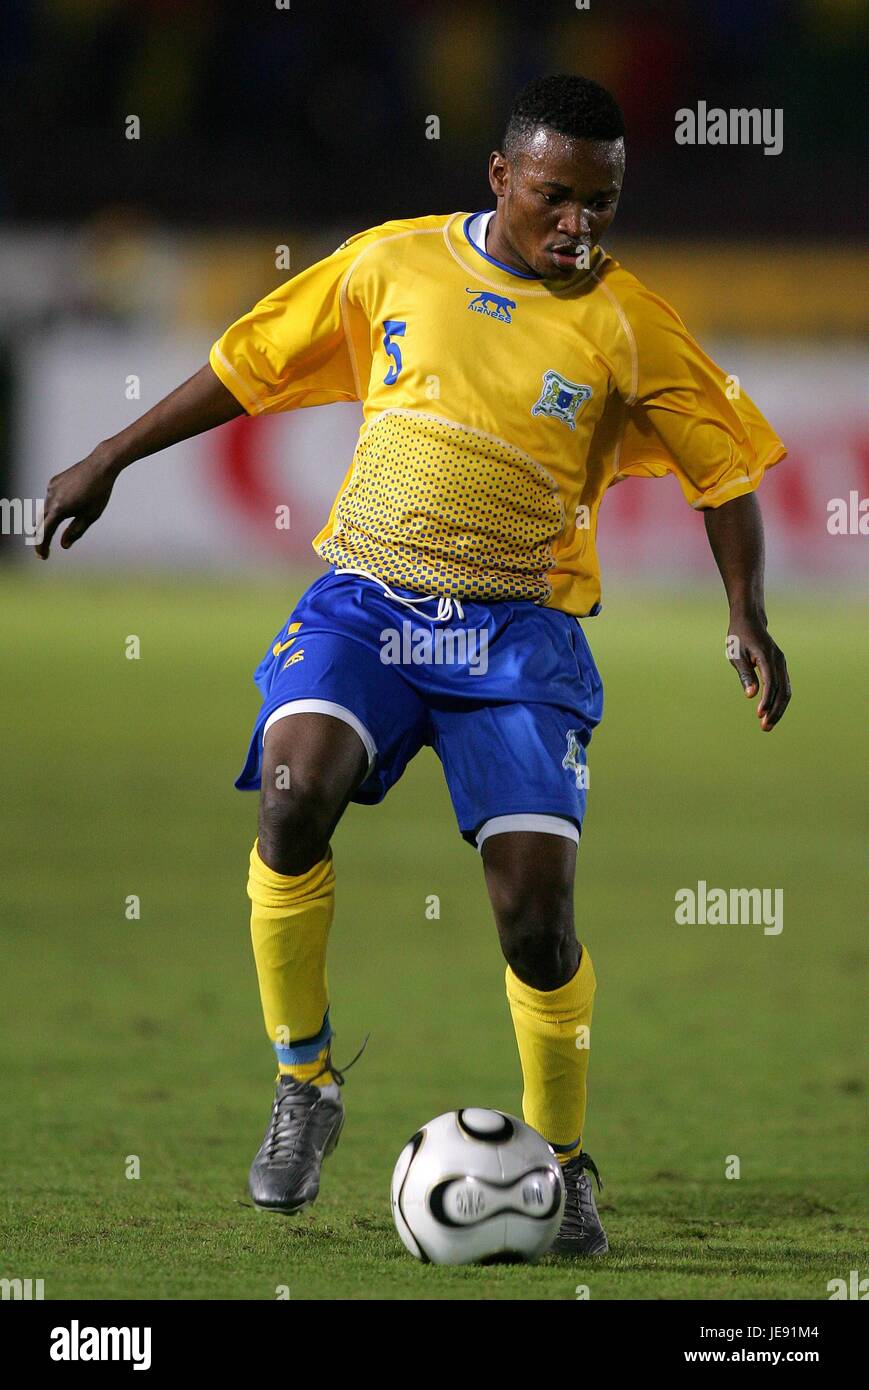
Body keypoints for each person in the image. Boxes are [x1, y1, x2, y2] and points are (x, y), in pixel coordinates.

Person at [36, 73, 791, 1257]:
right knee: (293, 792)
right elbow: (248, 362)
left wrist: (745, 612)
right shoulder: (393, 261)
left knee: (535, 922)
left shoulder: (628, 319)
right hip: (367, 602)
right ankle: (305, 1083)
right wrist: (113, 453)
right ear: (499, 177)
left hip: (517, 634)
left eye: (601, 203)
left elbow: (725, 470)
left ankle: (563, 1160)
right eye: (556, 198)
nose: (578, 226)